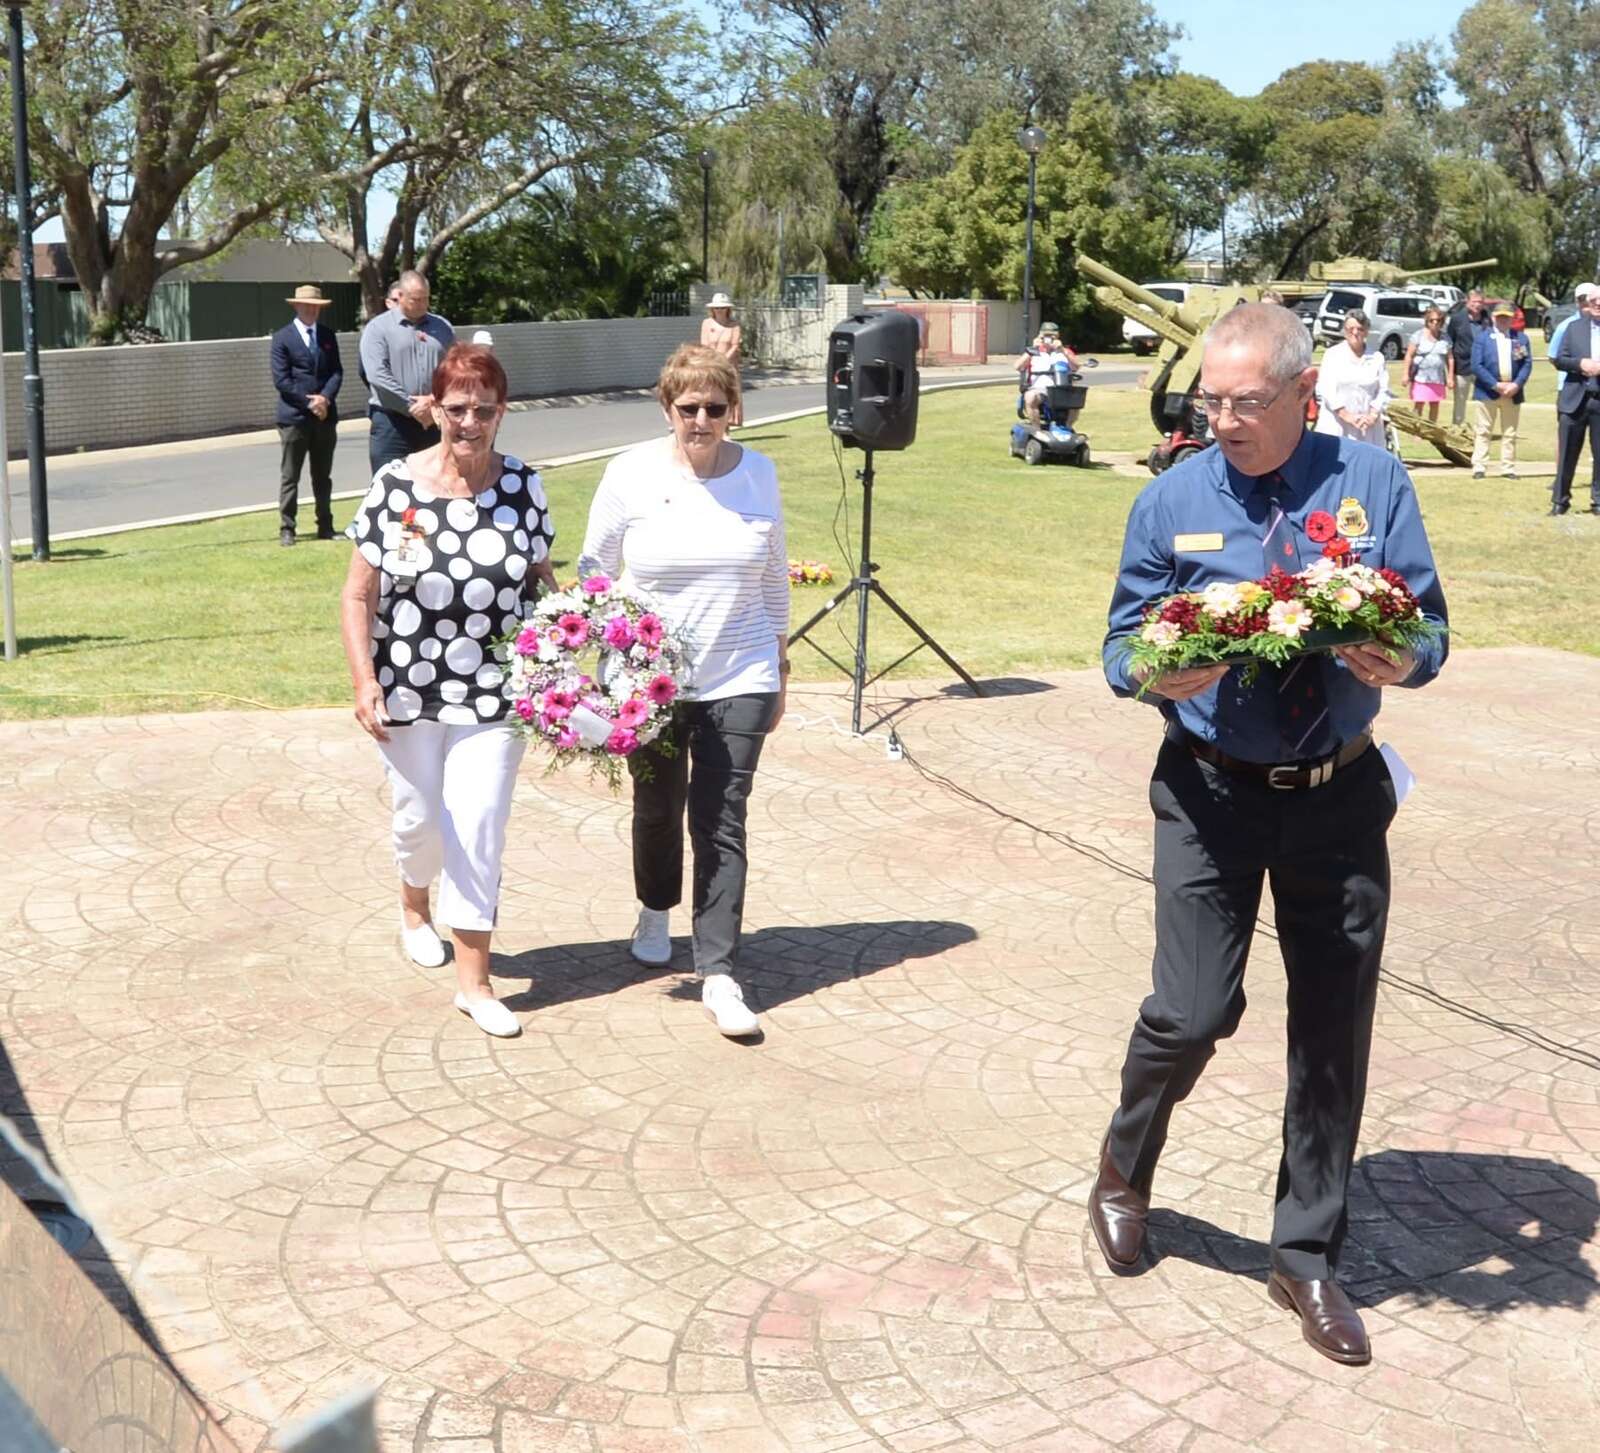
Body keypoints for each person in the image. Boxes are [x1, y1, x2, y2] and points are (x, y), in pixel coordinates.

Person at [1092, 302, 1448, 1368]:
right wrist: (1154, 671)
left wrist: (1405, 658)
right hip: (1209, 790)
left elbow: (1429, 626)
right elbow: (1118, 647)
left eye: (1246, 402)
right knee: (1195, 1008)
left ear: (1303, 393)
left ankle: (1304, 1255)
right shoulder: (1173, 497)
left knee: (1332, 1026)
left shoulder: (1372, 483)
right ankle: (1124, 1165)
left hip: (1337, 792)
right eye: (1213, 400)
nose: (1225, 420)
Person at [340, 344, 558, 1039]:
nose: (470, 422)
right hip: (407, 688)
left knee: (477, 821)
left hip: (496, 691)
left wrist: (571, 647)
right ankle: (414, 905)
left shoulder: (523, 486)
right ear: (434, 409)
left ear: (502, 413)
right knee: (420, 822)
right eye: (457, 408)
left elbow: (544, 584)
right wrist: (364, 680)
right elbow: (357, 594)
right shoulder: (395, 486)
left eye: (483, 410)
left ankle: (475, 982)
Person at [577, 344, 788, 1040]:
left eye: (715, 408)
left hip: (742, 671)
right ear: (667, 407)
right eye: (688, 407)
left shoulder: (759, 475)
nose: (701, 420)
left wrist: (780, 665)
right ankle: (654, 907)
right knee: (659, 808)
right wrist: (602, 657)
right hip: (649, 680)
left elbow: (773, 576)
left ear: (734, 410)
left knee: (721, 819)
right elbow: (595, 570)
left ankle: (719, 970)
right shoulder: (629, 473)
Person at [360, 269, 456, 475]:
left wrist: (432, 400)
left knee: (437, 482)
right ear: (400, 296)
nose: (422, 304)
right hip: (392, 423)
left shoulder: (443, 327)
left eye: (425, 299)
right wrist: (412, 406)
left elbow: (454, 370)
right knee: (389, 483)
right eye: (415, 299)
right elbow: (377, 375)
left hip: (434, 419)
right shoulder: (378, 328)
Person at [270, 285, 343, 547]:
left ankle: (326, 525)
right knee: (291, 476)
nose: (312, 310)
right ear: (296, 306)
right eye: (307, 306)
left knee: (323, 476)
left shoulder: (327, 335)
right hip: (295, 418)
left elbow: (336, 372)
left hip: (325, 417)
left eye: (316, 307)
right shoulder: (282, 338)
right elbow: (282, 380)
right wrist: (309, 402)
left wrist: (325, 399)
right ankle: (287, 528)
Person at [1551, 284, 1600, 516]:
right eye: (1594, 300)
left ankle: (1598, 501)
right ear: (1588, 303)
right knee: (1567, 454)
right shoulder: (1573, 327)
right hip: (1574, 400)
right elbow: (1559, 359)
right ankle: (1560, 501)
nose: (1598, 304)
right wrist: (1580, 364)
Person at [1470, 301, 1532, 479]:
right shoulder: (1482, 338)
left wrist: (1516, 384)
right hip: (1488, 391)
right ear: (1493, 318)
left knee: (1510, 432)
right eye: (1500, 317)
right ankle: (1479, 467)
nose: (1503, 320)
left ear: (1512, 319)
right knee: (1483, 430)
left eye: (1507, 317)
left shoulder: (1520, 339)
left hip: (1512, 392)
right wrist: (1495, 385)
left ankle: (1508, 468)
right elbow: (1476, 365)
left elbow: (1526, 364)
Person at [1313, 310, 1389, 448]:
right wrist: (1346, 415)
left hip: (1367, 427)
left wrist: (1372, 415)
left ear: (1366, 331)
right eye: (1351, 329)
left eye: (1360, 329)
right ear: (1344, 330)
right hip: (1336, 425)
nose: (1355, 333)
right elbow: (1325, 388)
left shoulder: (1377, 358)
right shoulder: (1333, 355)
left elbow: (1383, 390)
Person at [1402, 306, 1453, 424]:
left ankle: (1431, 429)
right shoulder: (1418, 335)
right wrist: (1405, 374)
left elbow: (1450, 358)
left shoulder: (1445, 338)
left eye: (1438, 320)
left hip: (1438, 378)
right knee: (1419, 404)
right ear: (1427, 321)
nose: (1435, 323)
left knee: (1435, 405)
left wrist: (1450, 377)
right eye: (1431, 320)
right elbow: (1409, 355)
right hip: (1420, 378)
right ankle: (1416, 429)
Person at [1446, 289, 1490, 425]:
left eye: (1480, 302)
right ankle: (1457, 428)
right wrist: (1450, 373)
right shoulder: (1457, 319)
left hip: (1483, 368)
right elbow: (1450, 345)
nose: (1477, 305)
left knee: (1485, 401)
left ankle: (1482, 428)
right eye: (1474, 301)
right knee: (1460, 401)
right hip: (1462, 367)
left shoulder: (1488, 319)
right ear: (1467, 302)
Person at [700, 293, 744, 426]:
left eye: (723, 308)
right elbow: (704, 345)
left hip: (729, 367)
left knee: (728, 395)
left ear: (728, 309)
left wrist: (724, 360)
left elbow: (735, 345)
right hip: (711, 365)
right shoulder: (706, 323)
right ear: (712, 309)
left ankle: (728, 426)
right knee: (712, 395)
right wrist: (713, 361)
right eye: (717, 308)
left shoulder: (734, 325)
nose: (719, 310)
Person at [1016, 327, 1072, 426]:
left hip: (1061, 389)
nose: (1048, 340)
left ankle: (1067, 427)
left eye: (1052, 336)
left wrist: (1062, 350)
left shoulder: (1064, 351)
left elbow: (1076, 366)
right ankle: (1037, 429)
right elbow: (1018, 366)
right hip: (1039, 389)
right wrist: (1033, 349)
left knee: (1077, 398)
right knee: (1030, 397)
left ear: (1058, 337)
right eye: (1045, 336)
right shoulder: (1033, 351)